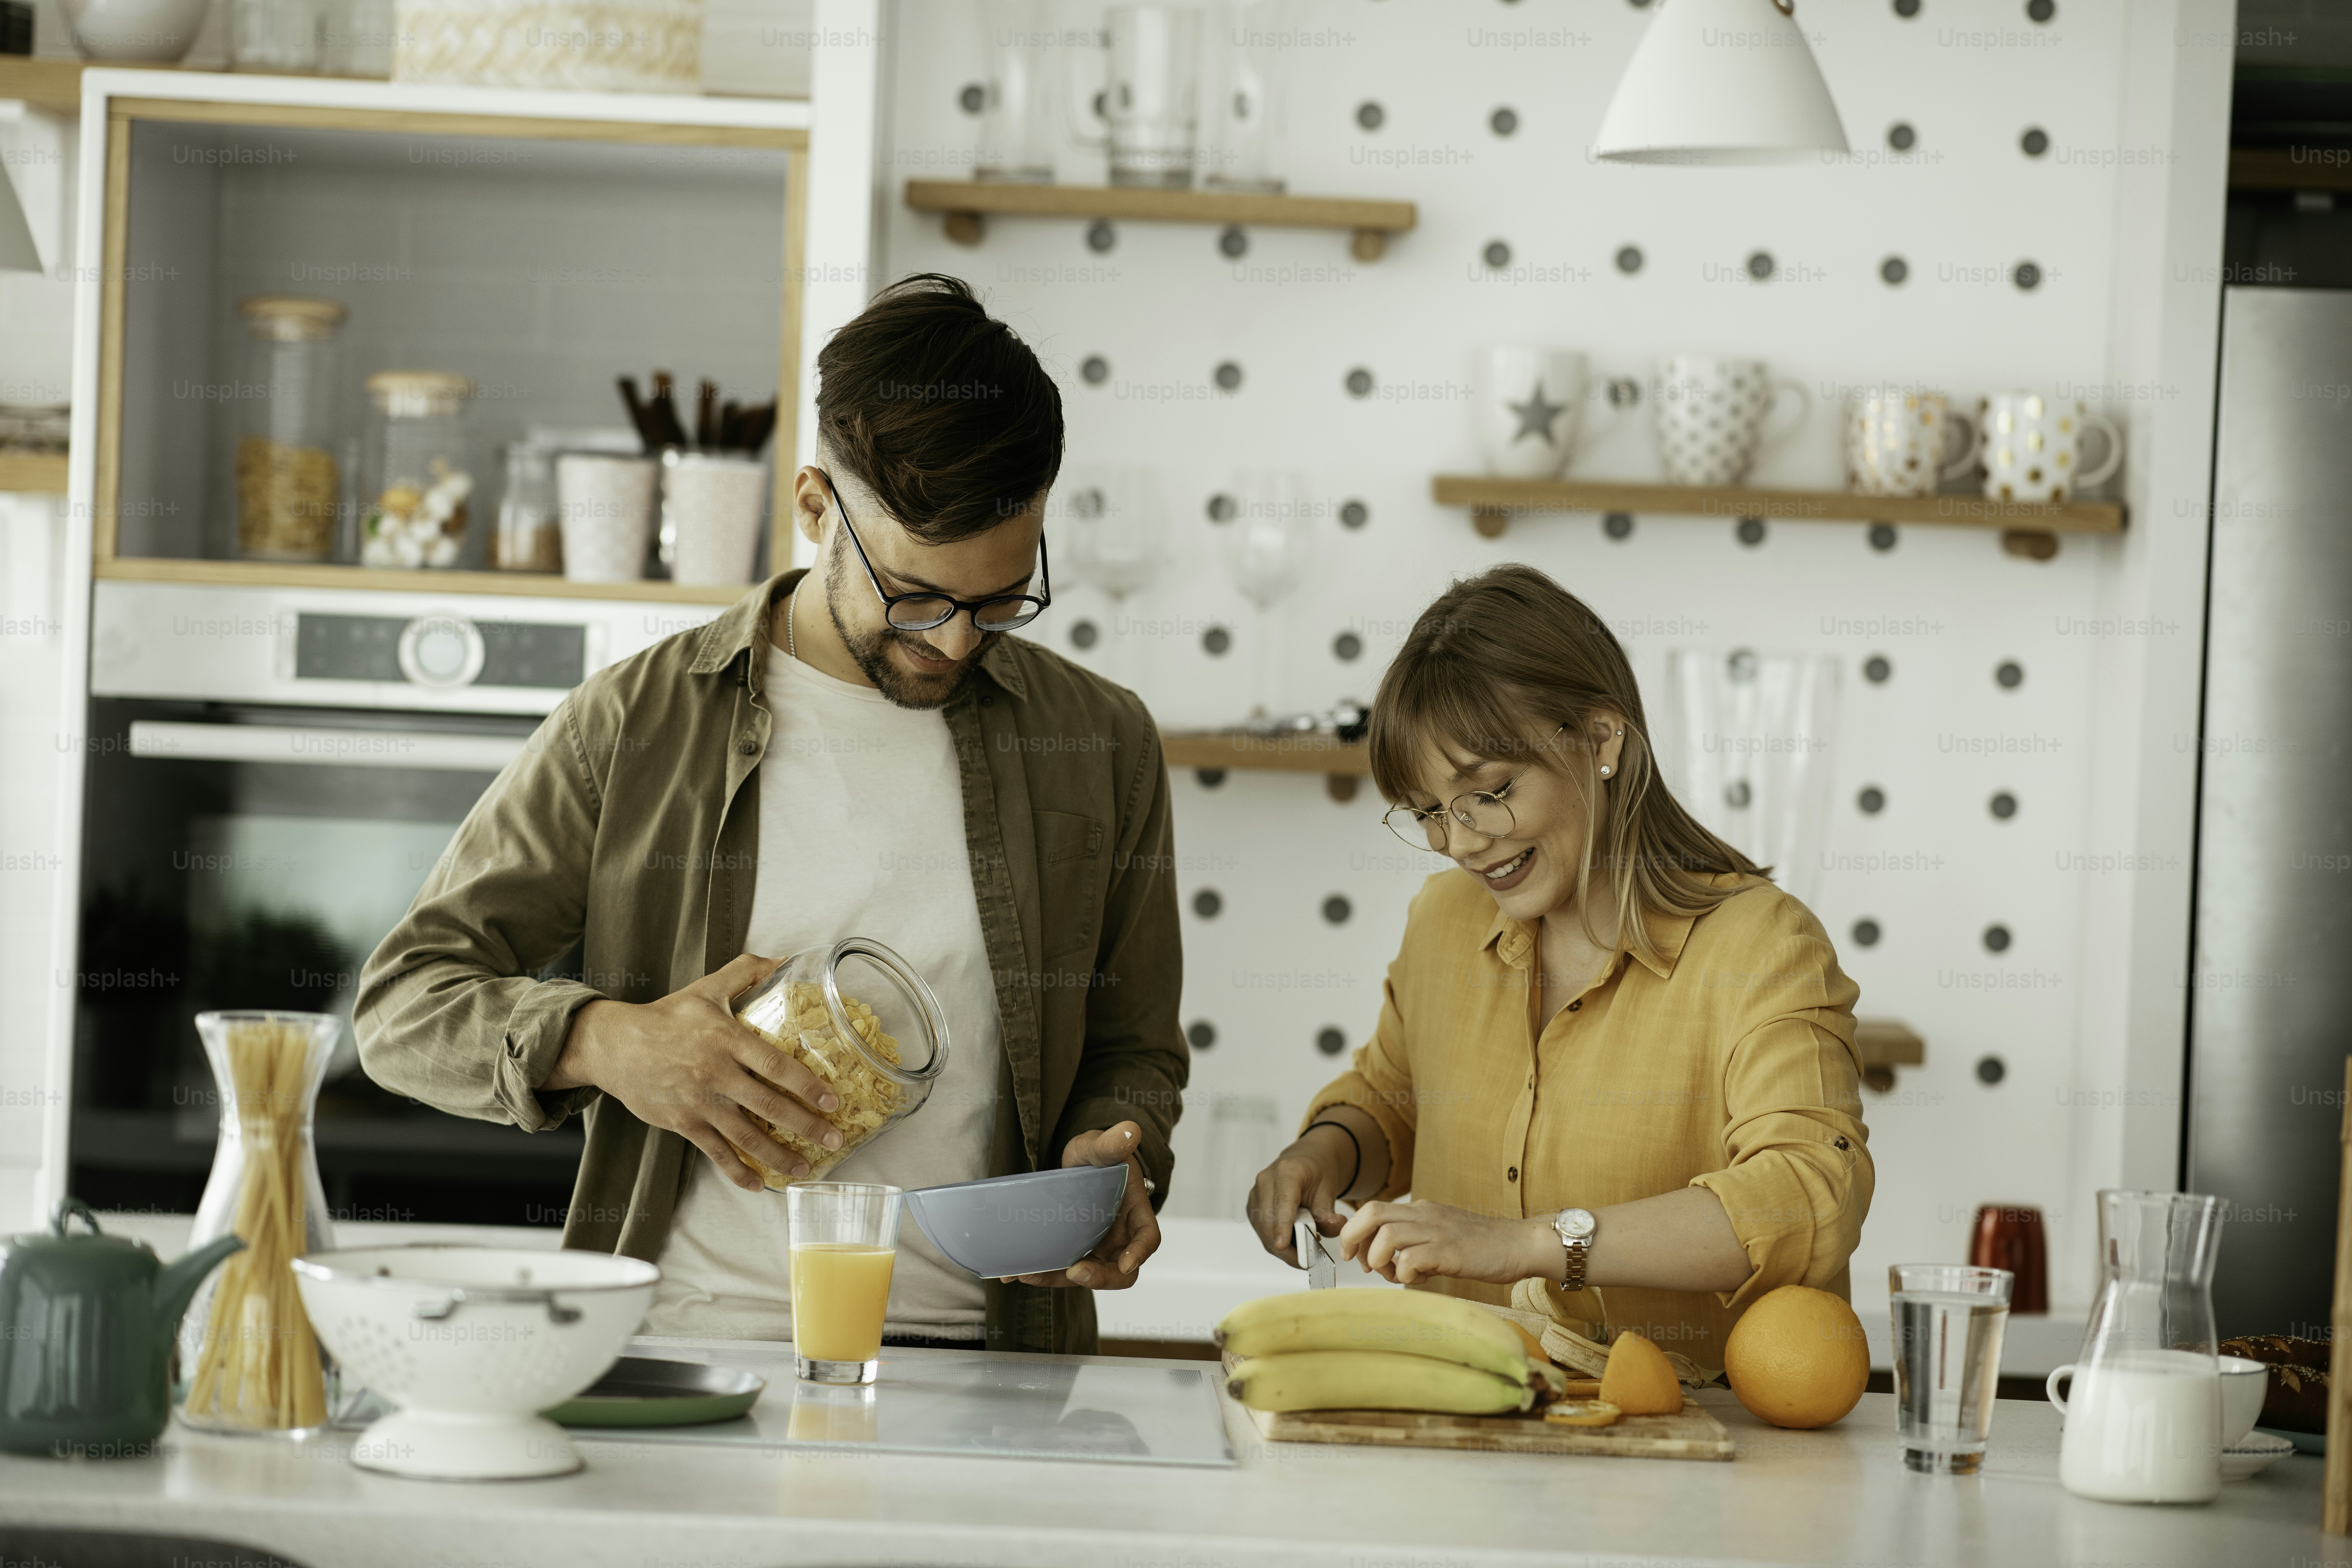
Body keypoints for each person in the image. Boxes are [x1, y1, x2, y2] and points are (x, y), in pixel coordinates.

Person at [356, 274, 1187, 1356]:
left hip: (990, 1372)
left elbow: (1135, 1051)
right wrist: (610, 1044)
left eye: (998, 601)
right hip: (677, 1354)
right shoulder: (634, 724)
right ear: (812, 507)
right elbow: (403, 1008)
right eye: (917, 599)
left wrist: (1117, 1158)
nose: (955, 644)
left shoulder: (1102, 745)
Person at [1246, 565, 1871, 1369]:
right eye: (1432, 812)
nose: (1463, 841)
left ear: (1603, 740)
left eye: (1492, 791)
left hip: (1693, 1455)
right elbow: (1394, 1100)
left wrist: (1531, 1245)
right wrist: (1324, 1152)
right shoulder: (1443, 922)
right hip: (1460, 1437)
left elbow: (1810, 1194)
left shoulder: (1763, 946)